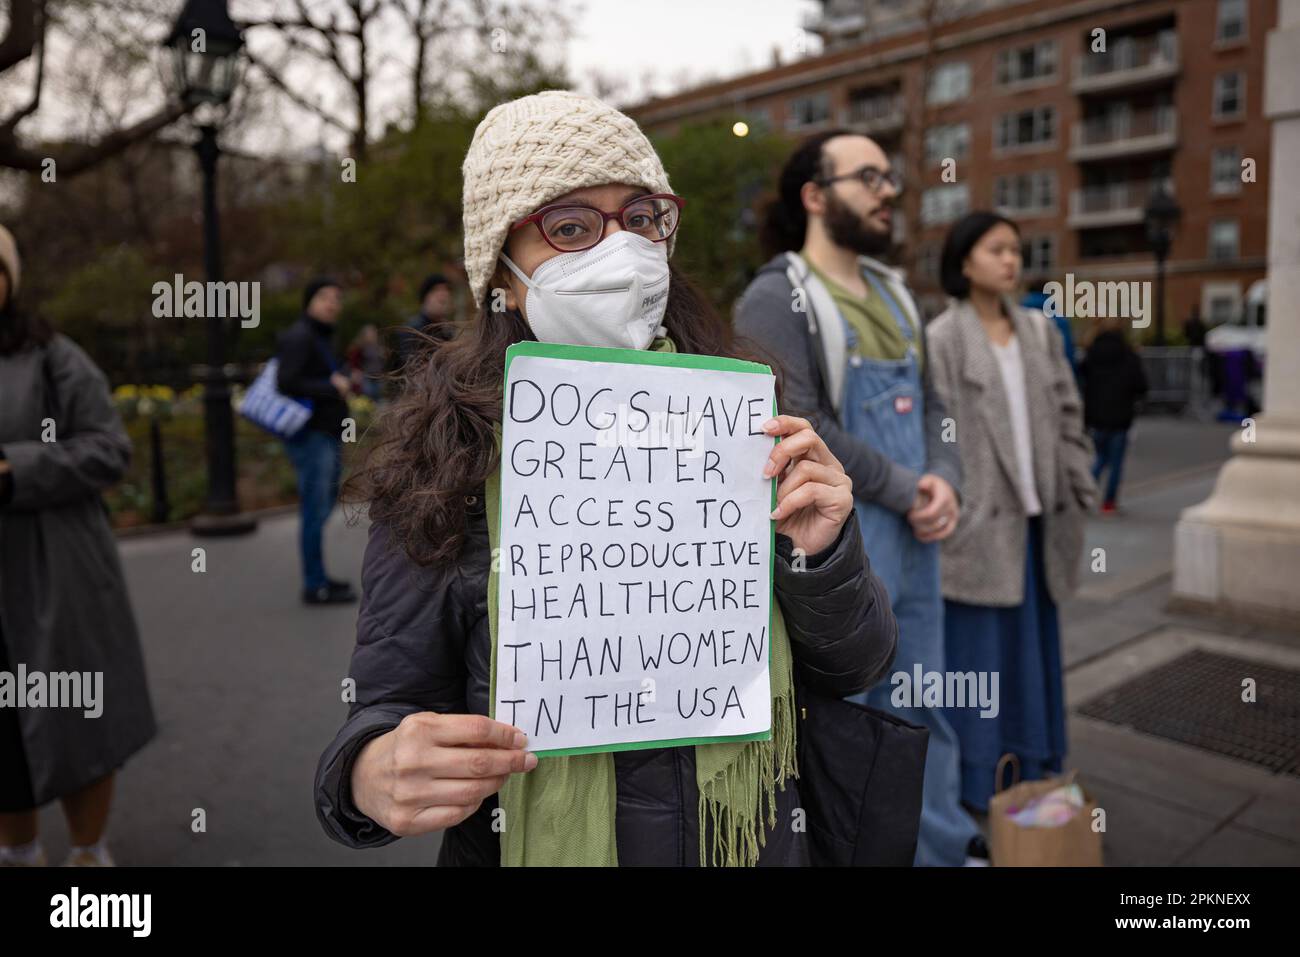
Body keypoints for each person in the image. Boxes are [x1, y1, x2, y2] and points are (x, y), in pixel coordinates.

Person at [314, 91, 898, 867]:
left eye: (640, 216)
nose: (619, 248)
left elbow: (857, 664)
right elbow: (385, 703)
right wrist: (365, 773)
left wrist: (822, 556)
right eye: (570, 226)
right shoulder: (448, 460)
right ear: (505, 275)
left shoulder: (745, 416)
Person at [735, 130, 979, 866]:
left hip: (916, 534)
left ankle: (940, 849)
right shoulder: (777, 298)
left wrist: (948, 477)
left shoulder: (897, 293)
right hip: (839, 540)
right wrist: (910, 488)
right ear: (815, 195)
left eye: (889, 178)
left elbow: (936, 400)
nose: (886, 192)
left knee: (924, 699)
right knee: (854, 714)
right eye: (866, 177)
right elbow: (810, 426)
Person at [926, 212, 1096, 812]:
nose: (1010, 261)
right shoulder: (943, 336)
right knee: (978, 670)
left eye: (1016, 250)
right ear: (965, 259)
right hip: (976, 532)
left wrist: (1077, 478)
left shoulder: (1039, 331)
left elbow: (1069, 410)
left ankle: (1038, 775)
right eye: (996, 249)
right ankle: (977, 789)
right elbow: (937, 428)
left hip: (1039, 524)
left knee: (1034, 665)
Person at [0, 223, 156, 867]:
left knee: (75, 718)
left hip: (52, 570)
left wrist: (14, 469)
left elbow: (108, 447)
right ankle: (19, 851)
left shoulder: (50, 354)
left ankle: (89, 853)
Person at [276, 277, 356, 604]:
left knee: (322, 506)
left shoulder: (320, 337)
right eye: (324, 297)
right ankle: (315, 584)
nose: (332, 303)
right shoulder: (300, 337)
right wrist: (331, 385)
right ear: (309, 302)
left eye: (336, 297)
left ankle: (318, 577)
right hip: (311, 436)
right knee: (314, 509)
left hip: (326, 433)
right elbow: (287, 381)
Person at [1079, 318, 1147, 515]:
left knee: (1100, 458)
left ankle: (1083, 497)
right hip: (1121, 414)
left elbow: (1083, 380)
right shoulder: (1129, 355)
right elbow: (1141, 386)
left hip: (1097, 414)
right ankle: (1109, 503)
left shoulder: (1091, 354)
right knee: (1116, 462)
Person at [398, 273, 455, 369]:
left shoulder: (447, 331)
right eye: (436, 290)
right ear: (425, 298)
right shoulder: (412, 330)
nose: (443, 294)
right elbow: (410, 369)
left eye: (446, 290)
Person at [345, 323, 386, 400]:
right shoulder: (360, 346)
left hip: (378, 375)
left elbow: (382, 361)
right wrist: (355, 371)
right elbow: (353, 360)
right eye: (369, 333)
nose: (372, 335)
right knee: (368, 397)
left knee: (379, 397)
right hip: (366, 376)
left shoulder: (378, 346)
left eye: (373, 333)